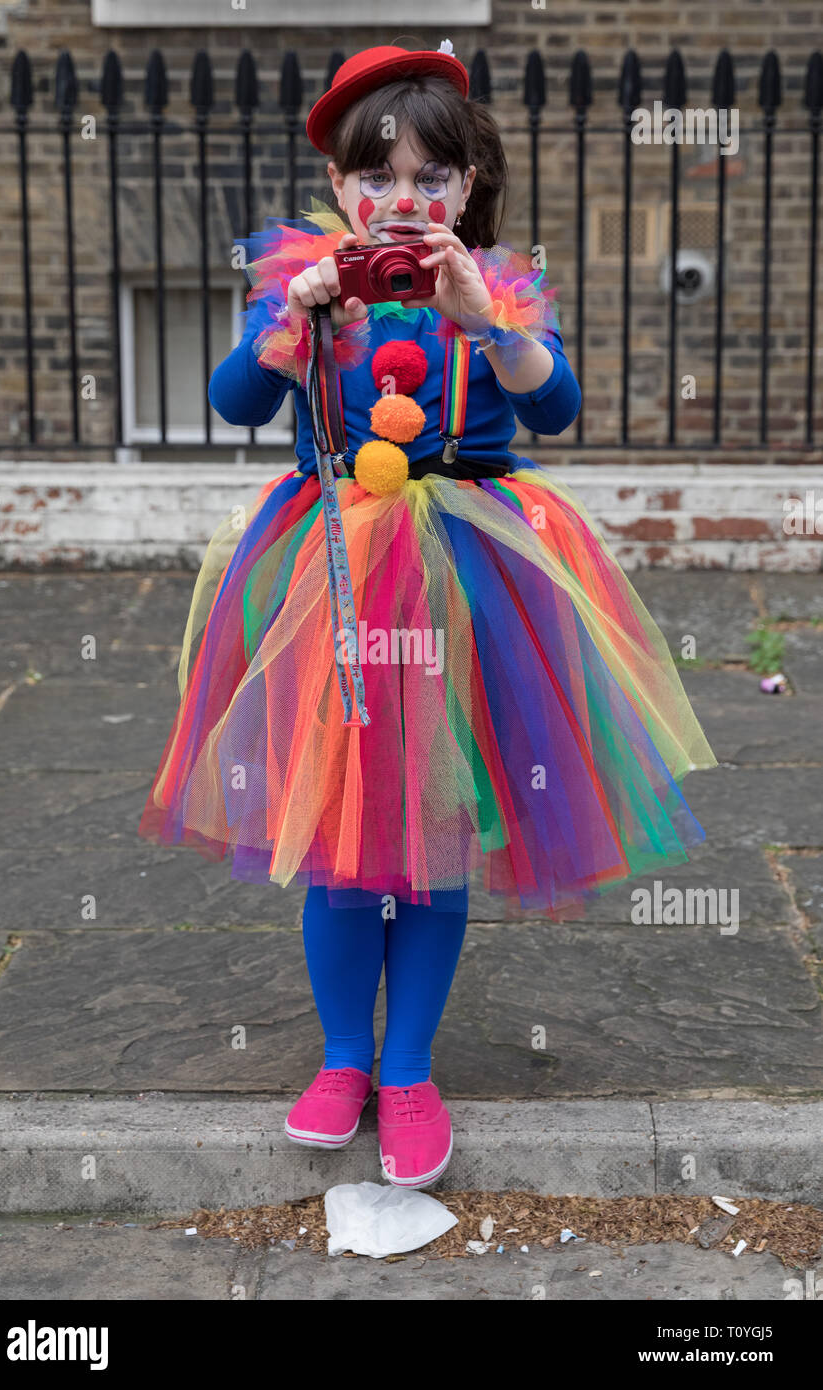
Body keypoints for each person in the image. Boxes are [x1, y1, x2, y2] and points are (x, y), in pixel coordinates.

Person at [138, 40, 717, 1190]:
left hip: (470, 584)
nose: (402, 199)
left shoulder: (491, 283)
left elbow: (552, 406)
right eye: (378, 177)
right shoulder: (311, 288)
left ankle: (409, 1069)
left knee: (435, 834)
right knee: (345, 841)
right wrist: (288, 323)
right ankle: (344, 1058)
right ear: (343, 188)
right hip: (332, 578)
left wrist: (487, 318)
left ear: (467, 187)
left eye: (431, 177)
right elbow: (234, 401)